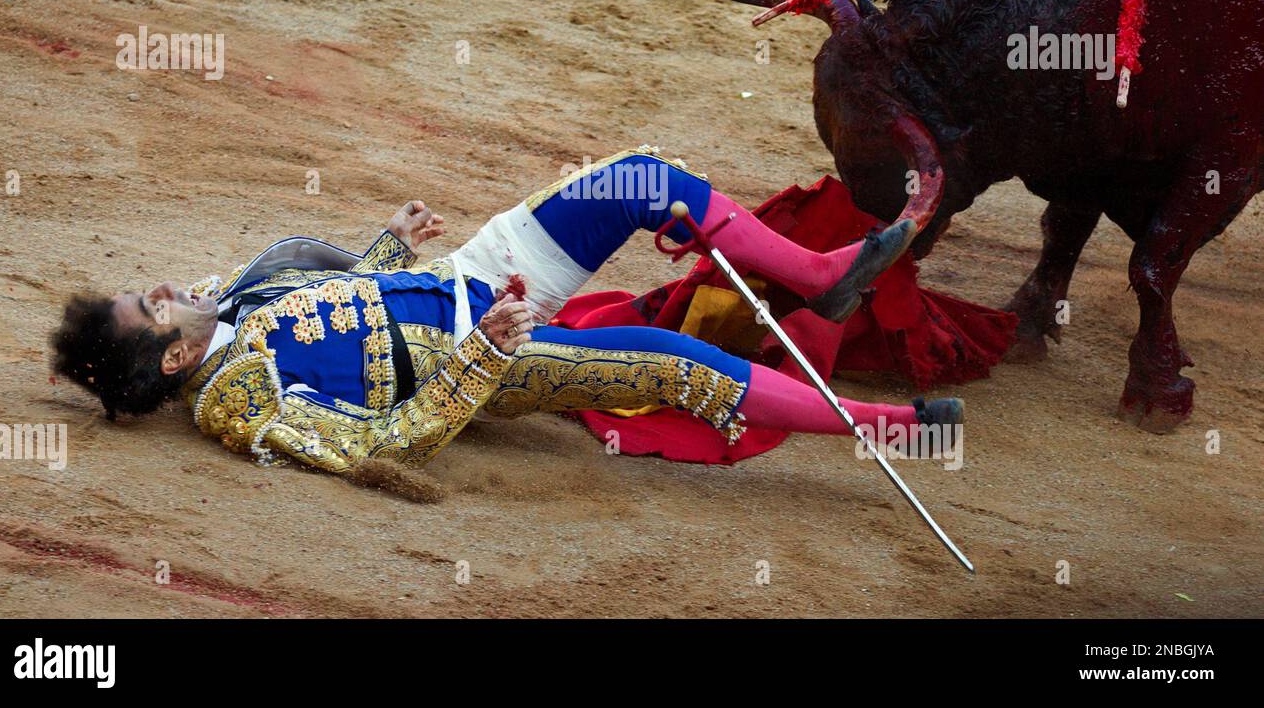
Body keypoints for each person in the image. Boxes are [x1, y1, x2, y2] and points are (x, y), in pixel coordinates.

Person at [50, 147, 960, 477]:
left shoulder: (231, 299)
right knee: (672, 367)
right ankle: (892, 429)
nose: (167, 289)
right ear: (173, 361)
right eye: (152, 305)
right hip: (492, 355)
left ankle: (822, 274)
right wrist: (484, 355)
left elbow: (346, 306)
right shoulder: (238, 402)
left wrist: (389, 247)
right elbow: (387, 441)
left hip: (469, 274)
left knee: (640, 178)